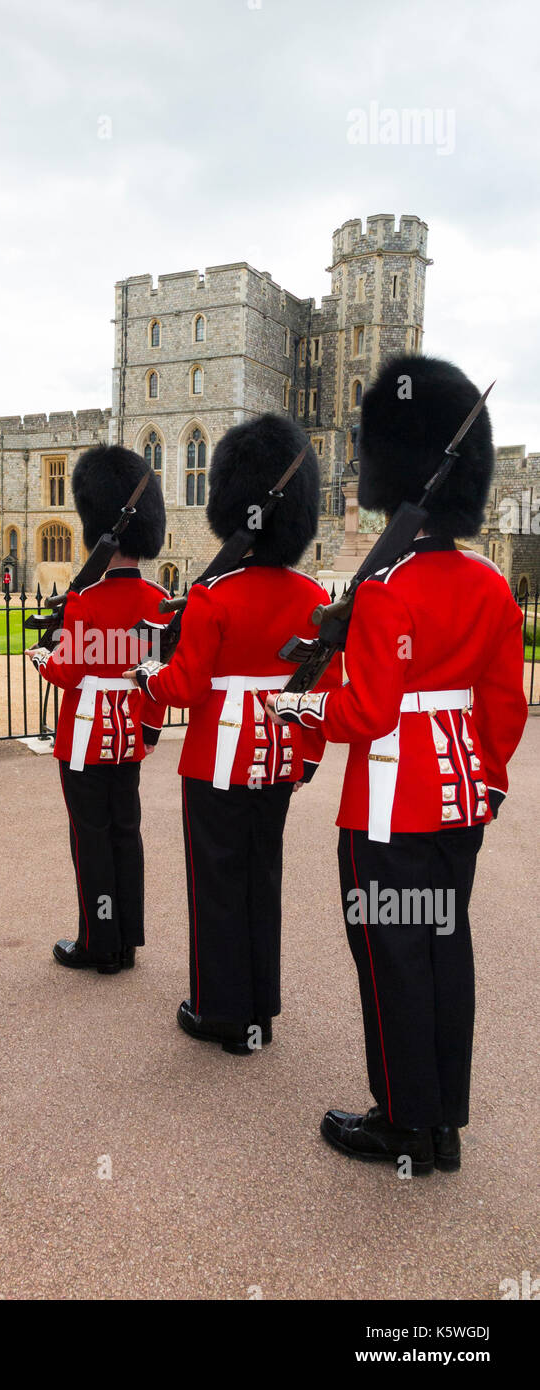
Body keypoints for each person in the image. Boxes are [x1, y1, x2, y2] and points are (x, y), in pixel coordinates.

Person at [268, 355, 528, 1173]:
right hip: (459, 807)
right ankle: (441, 1119)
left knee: (390, 963)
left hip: (388, 811)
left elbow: (368, 712)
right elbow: (504, 710)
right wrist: (483, 778)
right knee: (442, 951)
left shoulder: (386, 590)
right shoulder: (490, 586)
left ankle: (402, 1122)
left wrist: (302, 706)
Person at [126, 415, 340, 1052]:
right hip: (278, 754)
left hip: (218, 760)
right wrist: (307, 756)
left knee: (216, 884)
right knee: (261, 879)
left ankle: (220, 1011)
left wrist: (146, 679)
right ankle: (258, 1013)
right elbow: (320, 689)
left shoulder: (214, 595)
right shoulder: (311, 593)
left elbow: (186, 687)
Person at [26, 444, 167, 975]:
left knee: (90, 838)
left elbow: (68, 672)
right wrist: (149, 732)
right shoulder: (157, 597)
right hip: (129, 732)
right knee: (126, 833)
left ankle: (97, 942)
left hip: (85, 737)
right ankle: (126, 941)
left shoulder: (85, 601)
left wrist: (40, 656)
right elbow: (153, 676)